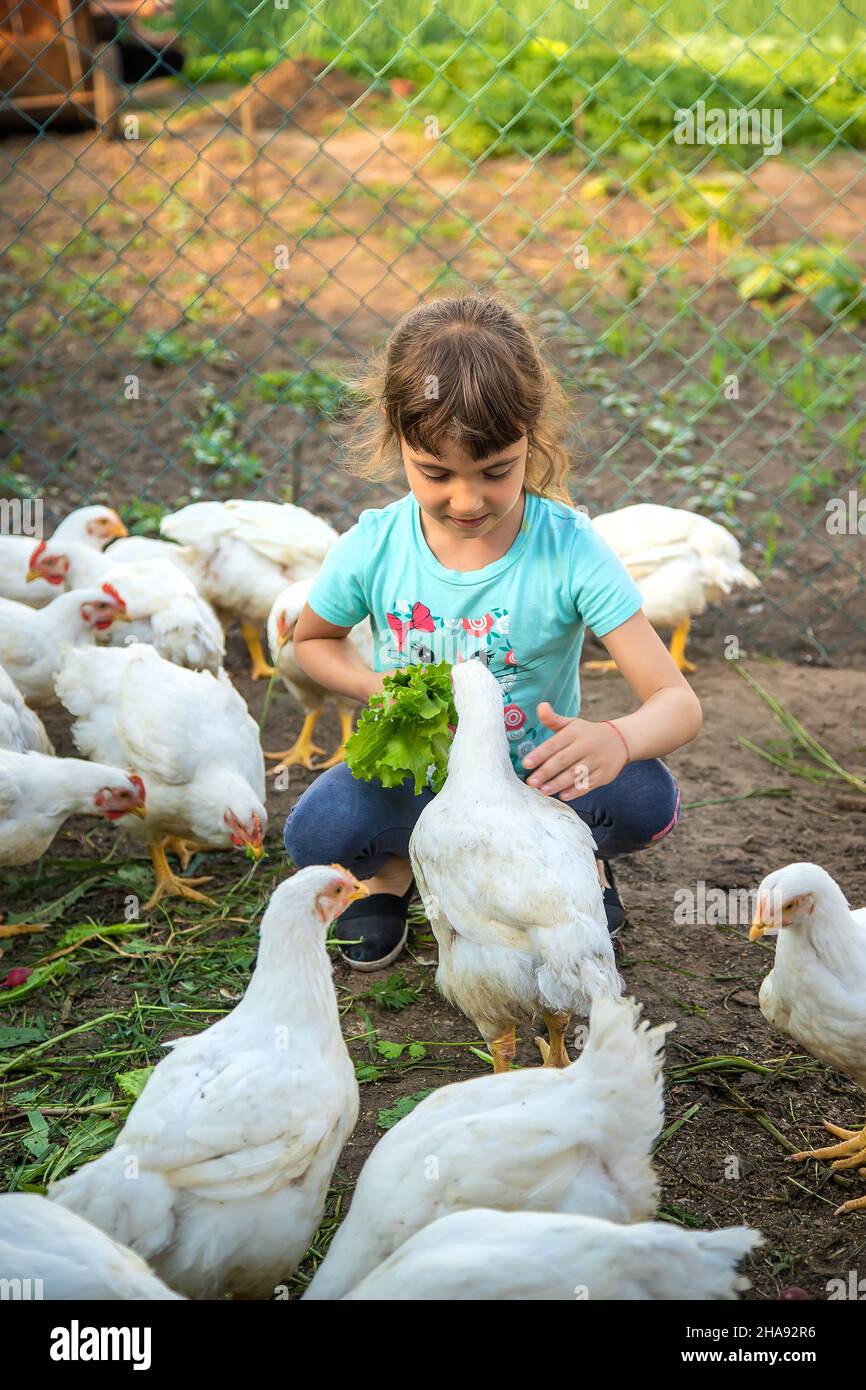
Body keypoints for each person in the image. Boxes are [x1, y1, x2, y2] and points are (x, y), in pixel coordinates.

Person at [284, 293, 702, 969]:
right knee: (317, 832)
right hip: (419, 781)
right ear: (396, 436)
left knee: (642, 795)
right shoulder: (375, 545)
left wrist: (615, 739)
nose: (468, 500)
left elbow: (678, 704)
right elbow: (313, 641)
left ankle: (573, 860)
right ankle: (396, 872)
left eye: (495, 471)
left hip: (535, 782)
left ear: (530, 437)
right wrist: (371, 683)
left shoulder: (569, 548)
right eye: (436, 473)